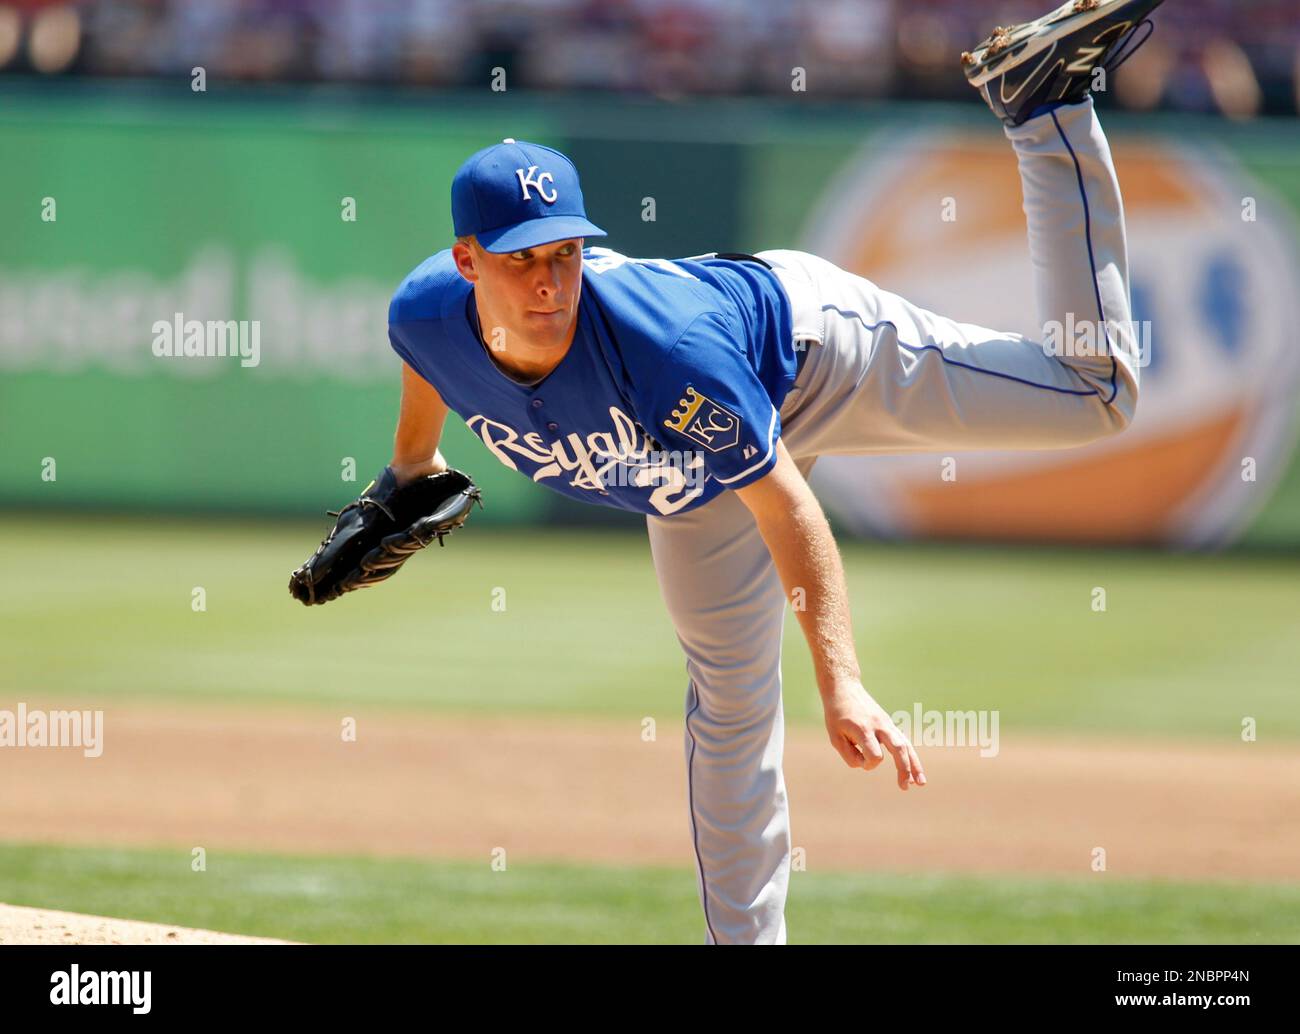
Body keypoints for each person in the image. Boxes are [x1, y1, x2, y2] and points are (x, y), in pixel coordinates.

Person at [381, 0, 1165, 944]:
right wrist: (410, 467)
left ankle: (1044, 108)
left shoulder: (664, 349)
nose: (550, 282)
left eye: (565, 254)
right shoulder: (426, 312)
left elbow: (788, 507)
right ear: (467, 262)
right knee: (729, 704)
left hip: (813, 358)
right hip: (692, 471)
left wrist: (843, 682)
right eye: (521, 262)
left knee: (1096, 394)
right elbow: (428, 359)